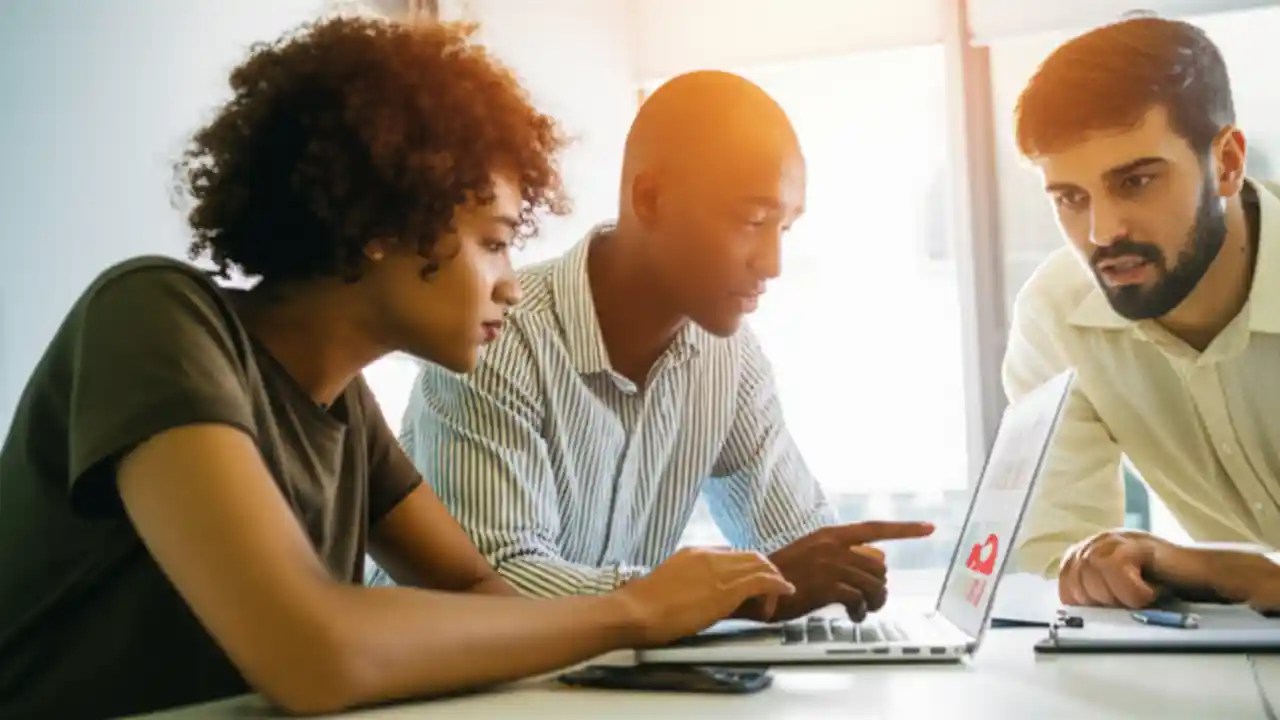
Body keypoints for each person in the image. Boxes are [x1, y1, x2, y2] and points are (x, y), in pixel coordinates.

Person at [0, 19, 798, 718]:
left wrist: (625, 614)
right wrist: (632, 611)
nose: (513, 284)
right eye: (492, 240)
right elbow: (314, 652)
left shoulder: (343, 408)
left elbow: (483, 595)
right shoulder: (154, 319)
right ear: (385, 224)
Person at [398, 70, 934, 624]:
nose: (772, 264)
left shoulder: (729, 358)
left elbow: (795, 545)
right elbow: (495, 580)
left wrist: (839, 570)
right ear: (650, 199)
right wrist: (734, 592)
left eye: (786, 228)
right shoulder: (499, 337)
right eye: (753, 221)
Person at [1005, 16, 1280, 610]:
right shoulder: (1057, 316)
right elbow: (1056, 562)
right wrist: (1105, 570)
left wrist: (1244, 575)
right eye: (1071, 199)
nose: (1102, 233)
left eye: (1136, 181)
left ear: (1228, 163)